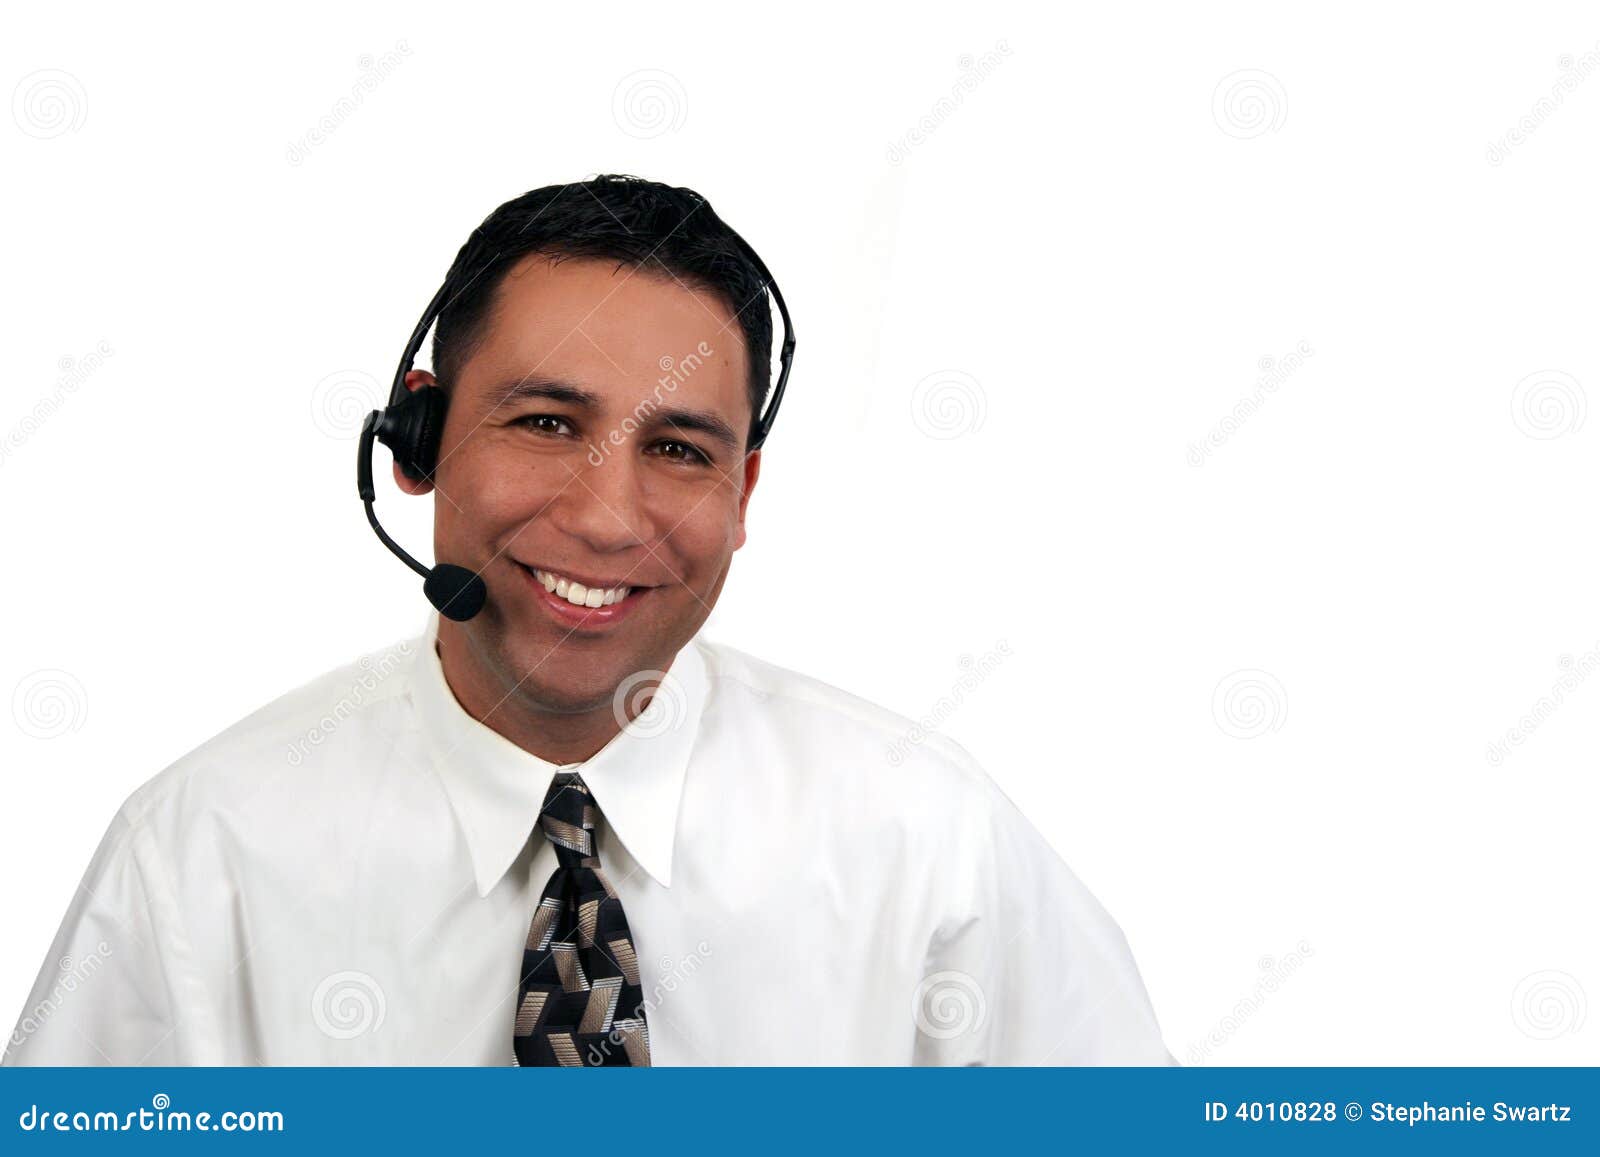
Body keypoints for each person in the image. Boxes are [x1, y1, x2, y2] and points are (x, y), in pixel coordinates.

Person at [3, 176, 1171, 1066]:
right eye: (547, 423)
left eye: (678, 449)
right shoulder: (198, 854)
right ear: (417, 436)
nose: (608, 518)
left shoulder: (928, 838)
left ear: (742, 494)